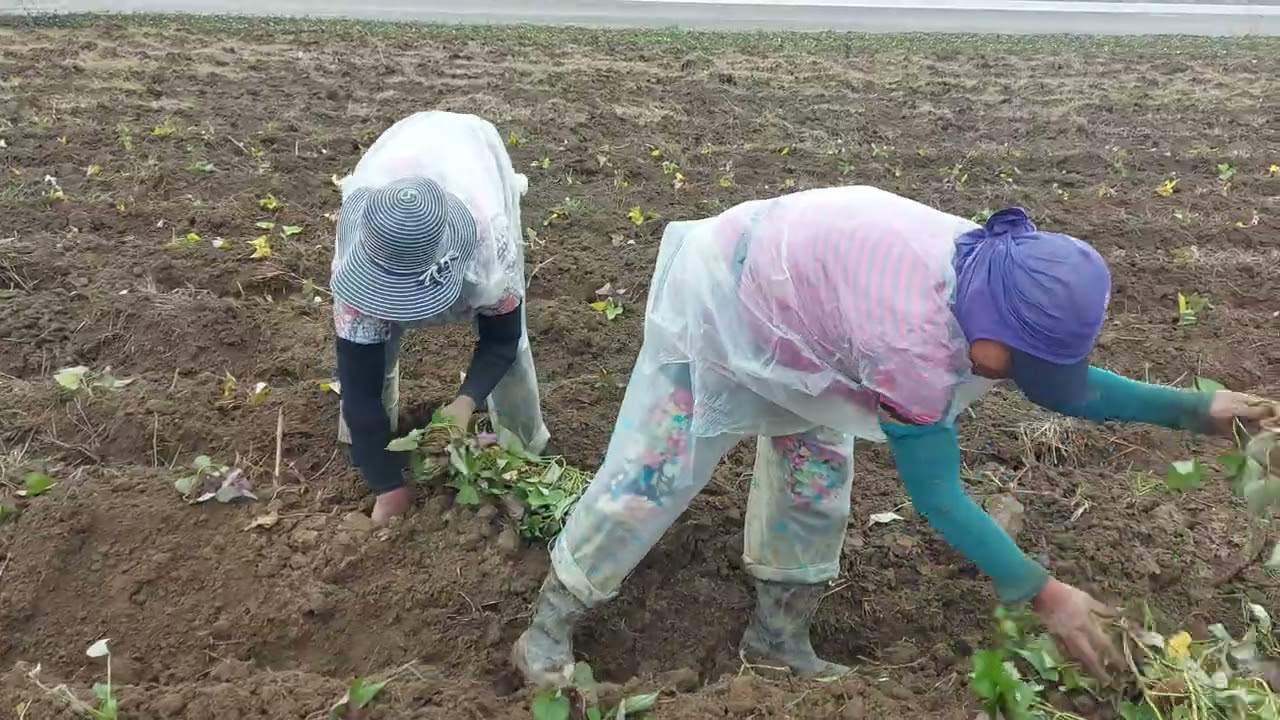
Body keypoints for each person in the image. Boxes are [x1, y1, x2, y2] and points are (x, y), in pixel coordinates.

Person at [511, 186, 1273, 685]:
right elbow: (939, 495)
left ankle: (777, 641)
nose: (1021, 379)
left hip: (816, 324)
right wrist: (1044, 594)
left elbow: (1074, 387)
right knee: (656, 473)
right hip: (725, 299)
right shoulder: (913, 342)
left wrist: (1195, 411)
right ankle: (549, 630)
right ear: (998, 339)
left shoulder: (993, 282)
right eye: (1023, 365)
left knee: (814, 472)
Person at [331, 111, 550, 525]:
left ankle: (521, 446)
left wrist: (464, 404)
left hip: (470, 156)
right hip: (404, 156)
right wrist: (387, 487)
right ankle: (366, 447)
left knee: (514, 354)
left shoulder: (489, 250)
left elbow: (502, 339)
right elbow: (357, 383)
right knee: (374, 353)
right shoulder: (360, 257)